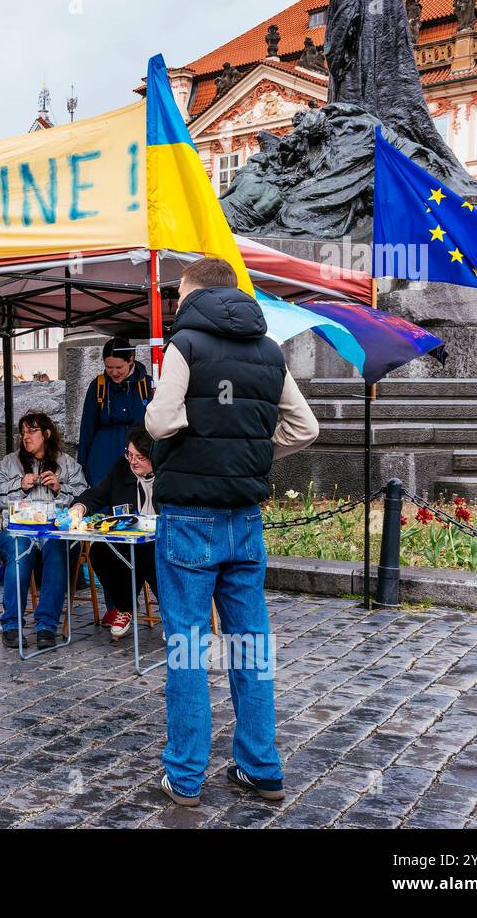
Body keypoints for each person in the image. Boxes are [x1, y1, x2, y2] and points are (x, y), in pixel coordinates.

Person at [145, 256, 319, 808]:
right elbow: (306, 427)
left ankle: (186, 778)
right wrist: (252, 455)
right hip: (244, 520)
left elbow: (162, 421)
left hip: (188, 519)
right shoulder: (270, 350)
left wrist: (196, 441)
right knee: (251, 647)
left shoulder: (185, 344)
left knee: (189, 651)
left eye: (177, 293)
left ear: (190, 292)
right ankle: (261, 768)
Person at [0, 411, 87, 650]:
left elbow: (85, 496)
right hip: (16, 532)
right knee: (21, 549)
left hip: (54, 532)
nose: (26, 437)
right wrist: (18, 485)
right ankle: (11, 625)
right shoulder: (9, 463)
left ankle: (46, 626)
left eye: (32, 431)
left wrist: (60, 489)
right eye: (22, 433)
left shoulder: (67, 463)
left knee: (57, 547)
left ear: (47, 434)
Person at [67, 424, 158, 639]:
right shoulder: (121, 468)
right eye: (130, 454)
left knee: (150, 553)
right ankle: (125, 606)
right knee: (99, 551)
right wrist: (79, 507)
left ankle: (173, 615)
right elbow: (97, 494)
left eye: (140, 457)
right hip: (127, 542)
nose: (133, 461)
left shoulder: (170, 474)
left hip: (161, 542)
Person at [76, 337, 152, 486]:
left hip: (137, 455)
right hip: (102, 458)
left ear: (130, 360)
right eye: (109, 367)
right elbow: (87, 429)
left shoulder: (147, 384)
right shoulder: (98, 386)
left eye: (119, 367)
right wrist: (81, 468)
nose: (114, 372)